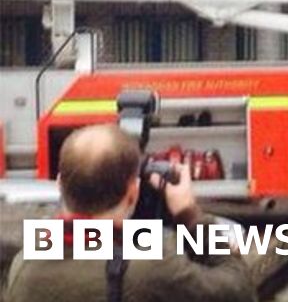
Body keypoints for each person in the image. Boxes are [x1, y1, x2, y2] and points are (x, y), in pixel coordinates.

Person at [4, 124, 254, 302]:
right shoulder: (153, 269)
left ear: (59, 185)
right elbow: (238, 289)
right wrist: (189, 214)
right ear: (132, 193)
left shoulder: (25, 265)